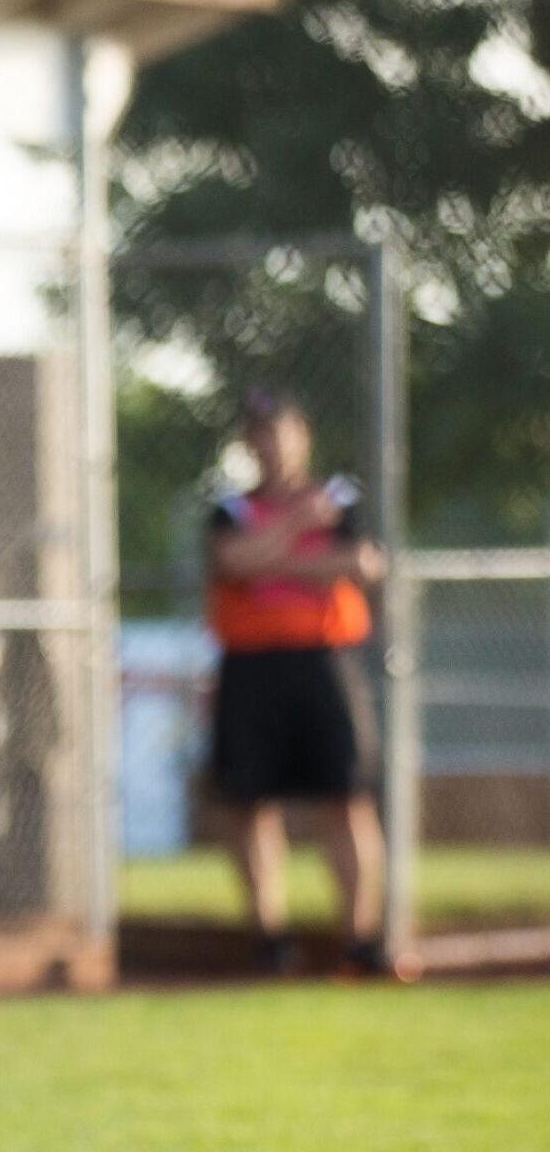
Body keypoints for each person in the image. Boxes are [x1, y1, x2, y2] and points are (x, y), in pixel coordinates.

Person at [206, 387, 390, 975]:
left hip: (323, 662)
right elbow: (233, 562)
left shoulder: (340, 499)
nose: (271, 445)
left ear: (302, 437)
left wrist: (272, 558)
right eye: (259, 434)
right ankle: (271, 941)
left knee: (346, 796)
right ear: (247, 443)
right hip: (252, 667)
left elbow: (361, 563)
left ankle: (360, 942)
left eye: (281, 432)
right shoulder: (230, 509)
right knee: (250, 801)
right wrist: (300, 529)